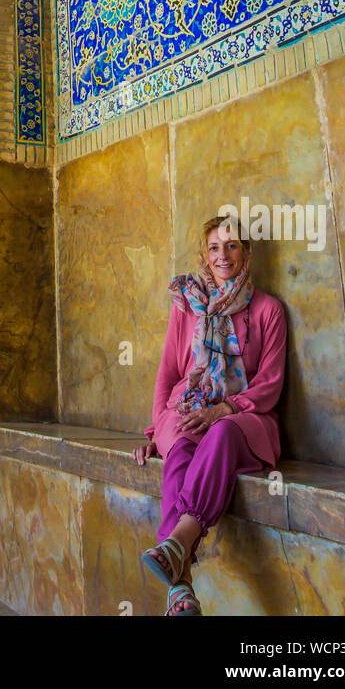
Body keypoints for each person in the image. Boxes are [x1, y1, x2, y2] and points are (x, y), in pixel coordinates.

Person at [134, 214, 287, 616]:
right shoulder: (187, 307)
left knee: (219, 434)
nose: (224, 255)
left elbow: (269, 385)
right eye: (215, 247)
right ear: (205, 254)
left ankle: (178, 552)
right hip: (185, 411)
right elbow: (168, 372)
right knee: (180, 448)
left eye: (233, 245)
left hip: (246, 417)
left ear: (247, 253)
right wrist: (155, 432)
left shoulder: (269, 311)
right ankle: (181, 588)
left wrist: (223, 408)